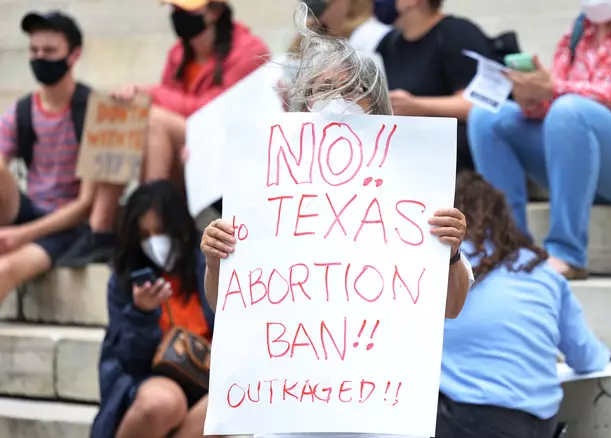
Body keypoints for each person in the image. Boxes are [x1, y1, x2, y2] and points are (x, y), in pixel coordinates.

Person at [200, 10, 473, 437]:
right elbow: (225, 305)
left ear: (375, 102)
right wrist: (217, 258)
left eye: (350, 89)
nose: (336, 100)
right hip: (287, 409)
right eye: (322, 89)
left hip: (376, 413)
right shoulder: (265, 188)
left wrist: (451, 254)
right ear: (300, 102)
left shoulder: (414, 187)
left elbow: (451, 306)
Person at [467, 0, 611, 279]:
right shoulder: (580, 29)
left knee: (570, 110)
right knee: (487, 118)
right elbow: (552, 104)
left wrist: (555, 89)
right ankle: (508, 247)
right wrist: (531, 97)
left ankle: (566, 252)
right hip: (583, 158)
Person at [64, 0, 272, 265]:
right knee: (124, 111)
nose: (177, 15)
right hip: (187, 150)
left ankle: (155, 223)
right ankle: (100, 229)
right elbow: (171, 105)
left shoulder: (249, 51)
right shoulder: (178, 53)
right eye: (174, 10)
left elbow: (217, 113)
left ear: (215, 12)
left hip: (223, 151)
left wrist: (149, 92)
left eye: (185, 10)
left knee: (152, 120)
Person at [436, 171, 610, 438]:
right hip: (541, 425)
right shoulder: (541, 269)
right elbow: (587, 357)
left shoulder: (444, 265)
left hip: (468, 420)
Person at [91, 180, 216, 438]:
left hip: (209, 378)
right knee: (162, 404)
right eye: (144, 235)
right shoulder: (127, 279)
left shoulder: (206, 265)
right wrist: (142, 314)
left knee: (222, 408)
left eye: (159, 231)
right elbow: (129, 362)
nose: (154, 242)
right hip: (151, 378)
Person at [0, 11, 95, 303]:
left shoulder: (94, 110)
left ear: (74, 54)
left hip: (69, 227)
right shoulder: (21, 111)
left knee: (3, 269)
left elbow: (86, 204)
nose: (40, 57)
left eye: (50, 51)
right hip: (27, 210)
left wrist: (23, 235)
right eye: (34, 50)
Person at [375, 0, 497, 172]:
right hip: (403, 143)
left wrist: (417, 106)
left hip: (451, 154)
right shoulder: (388, 43)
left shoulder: (458, 34)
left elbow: (480, 105)